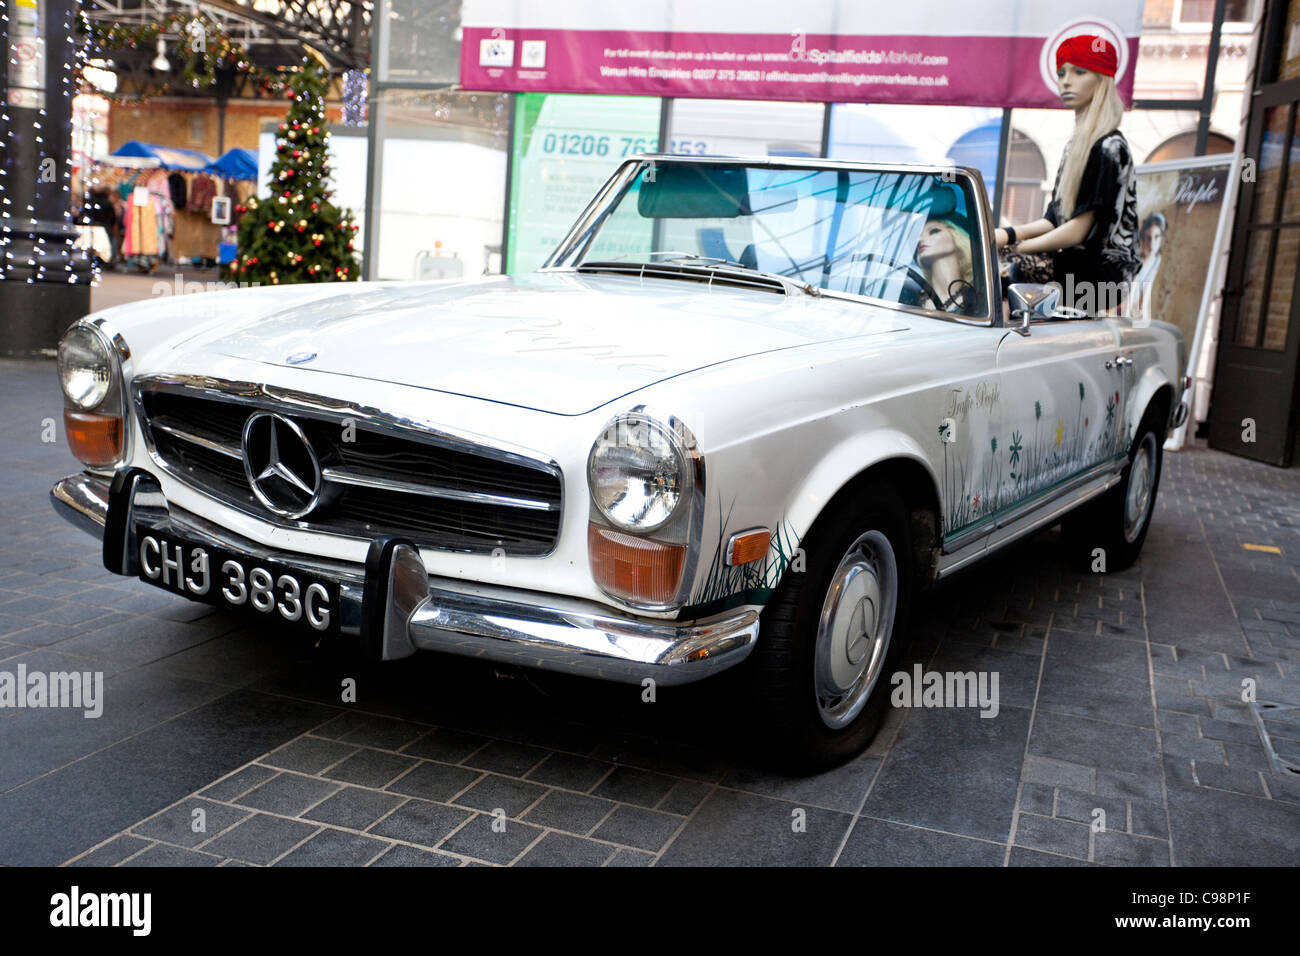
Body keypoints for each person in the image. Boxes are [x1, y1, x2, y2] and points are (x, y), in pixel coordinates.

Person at [996, 34, 1140, 314]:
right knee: (993, 265)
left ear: (1101, 79)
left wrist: (1017, 249)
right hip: (1075, 265)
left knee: (1004, 272)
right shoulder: (1076, 147)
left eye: (1079, 71)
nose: (1066, 81)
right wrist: (1007, 234)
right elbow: (1054, 219)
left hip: (1099, 277)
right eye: (1062, 73)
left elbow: (1077, 230)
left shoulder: (1110, 147)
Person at [913, 213, 978, 315]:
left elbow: (984, 243)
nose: (919, 240)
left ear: (956, 237)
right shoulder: (909, 296)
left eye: (933, 231)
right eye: (918, 236)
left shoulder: (982, 302)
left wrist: (1010, 233)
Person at [1132, 211, 1166, 321]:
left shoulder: (1156, 259)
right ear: (1143, 237)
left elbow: (1147, 284)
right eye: (1148, 238)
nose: (1152, 244)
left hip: (1133, 301)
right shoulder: (1136, 255)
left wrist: (1143, 310)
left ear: (1161, 238)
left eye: (1156, 237)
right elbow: (1132, 285)